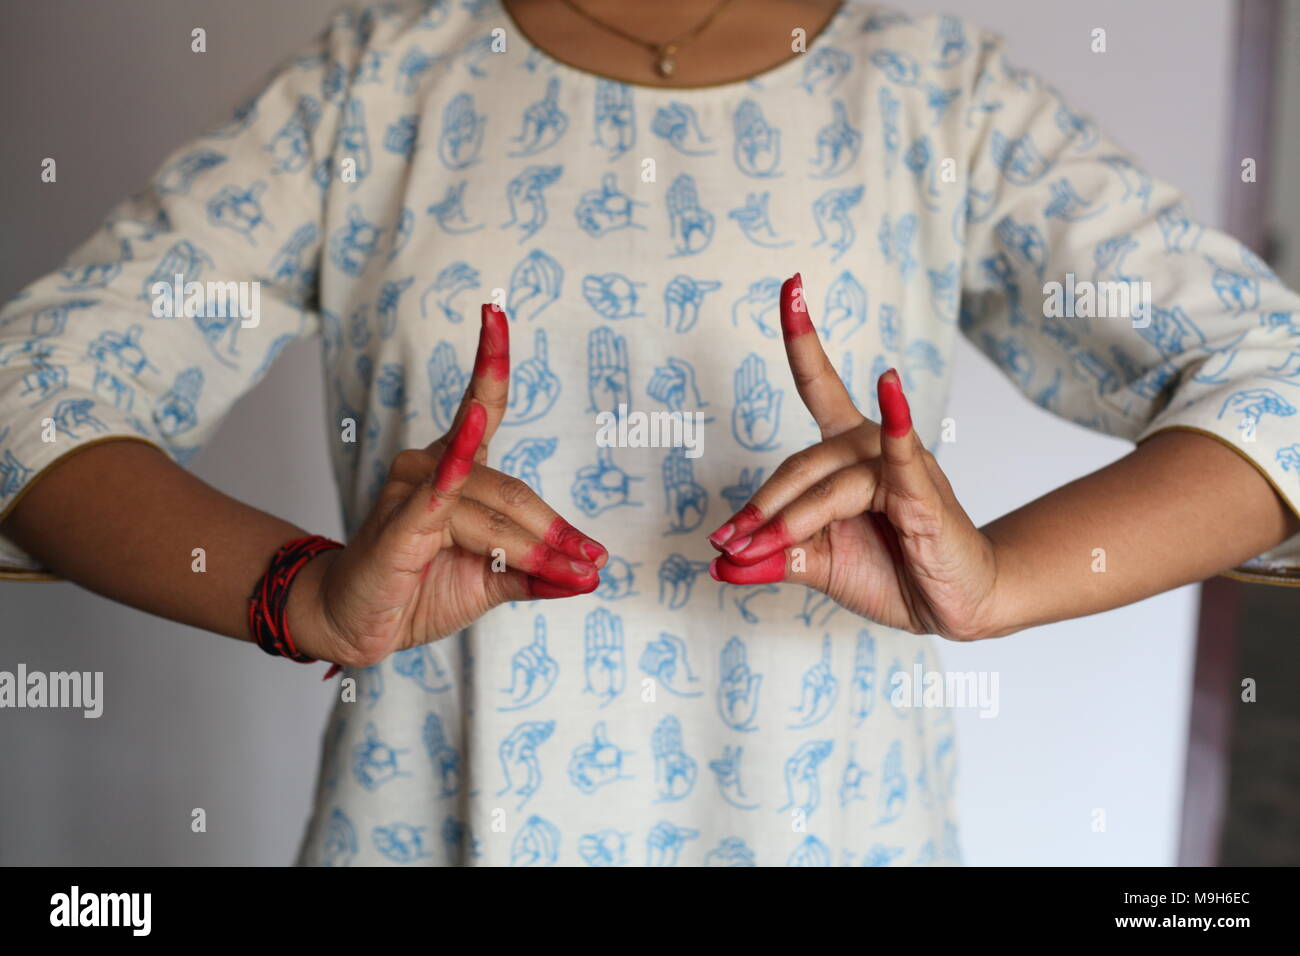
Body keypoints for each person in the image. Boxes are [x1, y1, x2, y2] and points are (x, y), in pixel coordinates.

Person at [1, 0, 1297, 867]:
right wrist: (305, 596)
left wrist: (1001, 581)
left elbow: (1277, 381)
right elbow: (28, 392)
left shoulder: (927, 91)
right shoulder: (381, 83)